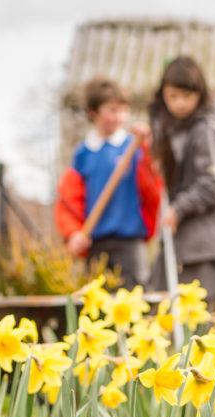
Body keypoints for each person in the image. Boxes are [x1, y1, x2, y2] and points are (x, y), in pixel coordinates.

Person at [146, 56, 215, 310]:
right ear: (163, 95)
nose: (180, 103)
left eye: (186, 96)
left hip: (212, 241)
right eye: (173, 96)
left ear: (200, 94)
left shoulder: (209, 129)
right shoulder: (173, 127)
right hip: (187, 242)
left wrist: (179, 209)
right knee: (167, 310)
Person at [55, 76, 162, 287]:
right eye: (112, 110)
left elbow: (153, 186)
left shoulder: (135, 147)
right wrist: (73, 233)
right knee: (97, 298)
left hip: (130, 243)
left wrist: (149, 148)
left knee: (134, 297)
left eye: (124, 110)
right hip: (96, 243)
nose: (119, 116)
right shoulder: (83, 154)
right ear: (93, 112)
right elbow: (69, 200)